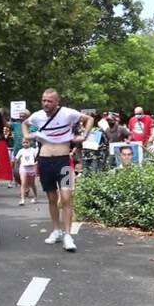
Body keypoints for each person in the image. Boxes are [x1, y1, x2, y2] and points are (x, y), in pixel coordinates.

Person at [22, 88, 94, 253]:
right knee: (51, 197)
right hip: (45, 160)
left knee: (67, 197)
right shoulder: (37, 116)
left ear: (57, 102)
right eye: (44, 100)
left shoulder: (68, 113)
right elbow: (25, 124)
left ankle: (68, 235)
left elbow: (89, 119)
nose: (46, 104)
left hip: (63, 160)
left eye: (49, 101)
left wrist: (84, 136)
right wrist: (28, 136)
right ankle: (56, 230)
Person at [15, 138, 38, 205]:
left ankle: (35, 197)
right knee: (23, 183)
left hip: (31, 168)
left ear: (30, 142)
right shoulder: (21, 151)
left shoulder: (33, 150)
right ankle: (22, 199)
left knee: (32, 184)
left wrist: (36, 164)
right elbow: (17, 159)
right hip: (23, 168)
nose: (25, 144)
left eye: (26, 142)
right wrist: (16, 167)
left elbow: (37, 158)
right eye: (24, 143)